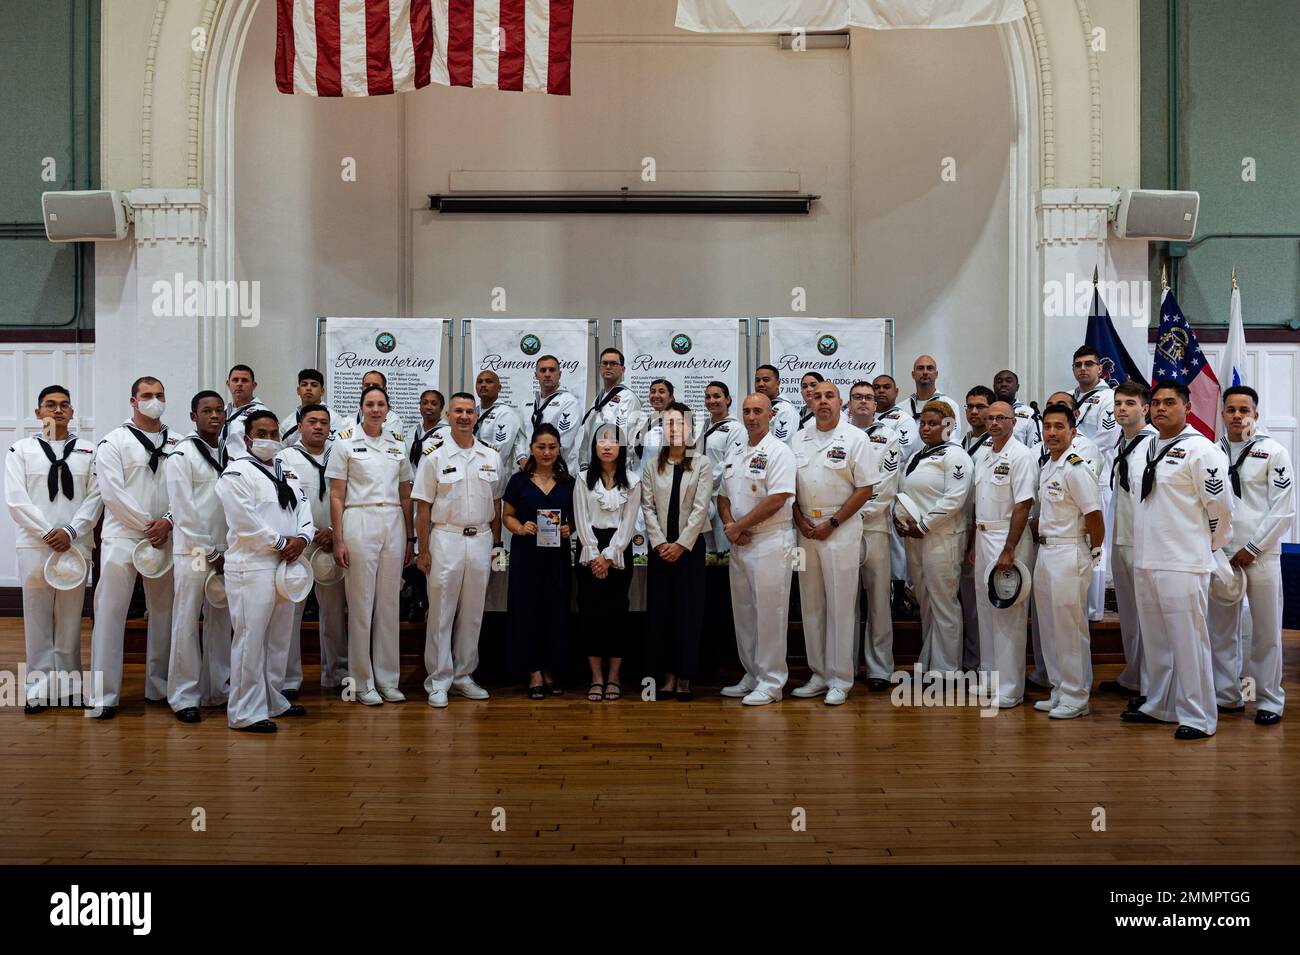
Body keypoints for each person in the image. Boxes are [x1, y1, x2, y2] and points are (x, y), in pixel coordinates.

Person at [1122, 381, 1233, 740]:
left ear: (1187, 407)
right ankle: (1161, 703)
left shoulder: (1202, 450)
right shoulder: (1147, 447)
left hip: (1183, 560)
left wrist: (1207, 546)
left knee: (1188, 641)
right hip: (1148, 557)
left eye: (1170, 402)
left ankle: (1199, 715)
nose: (1160, 408)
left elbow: (1220, 508)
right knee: (1157, 640)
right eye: (1155, 402)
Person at [5, 385, 102, 712]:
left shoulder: (89, 451)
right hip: (35, 544)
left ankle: (70, 689)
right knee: (37, 618)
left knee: (71, 618)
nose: (57, 411)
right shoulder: (21, 450)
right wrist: (48, 531)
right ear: (38, 413)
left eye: (64, 405)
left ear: (72, 413)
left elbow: (96, 496)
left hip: (75, 544)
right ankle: (38, 690)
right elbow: (16, 500)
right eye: (50, 405)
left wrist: (71, 530)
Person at [216, 411, 313, 733]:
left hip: (287, 562)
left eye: (273, 433)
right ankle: (245, 711)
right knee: (250, 638)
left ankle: (273, 699)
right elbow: (244, 520)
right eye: (262, 432)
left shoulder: (288, 472)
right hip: (252, 564)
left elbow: (304, 507)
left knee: (279, 639)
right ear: (247, 438)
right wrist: (280, 541)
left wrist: (302, 538)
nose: (268, 438)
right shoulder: (236, 473)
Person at [89, 376, 180, 720]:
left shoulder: (180, 442)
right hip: (124, 536)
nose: (153, 400)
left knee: (164, 612)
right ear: (133, 401)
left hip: (166, 536)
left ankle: (159, 687)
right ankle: (104, 695)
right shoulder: (113, 442)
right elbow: (111, 493)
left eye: (159, 395)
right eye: (146, 395)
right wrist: (147, 524)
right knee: (111, 614)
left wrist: (168, 521)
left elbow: (185, 490)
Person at [412, 393, 503, 708]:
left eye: (469, 411)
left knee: (473, 613)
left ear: (476, 415)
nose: (464, 416)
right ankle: (438, 680)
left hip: (480, 538)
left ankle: (464, 677)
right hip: (445, 539)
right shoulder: (434, 456)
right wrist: (422, 550)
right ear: (448, 415)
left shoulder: (490, 456)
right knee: (441, 613)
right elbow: (422, 508)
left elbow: (496, 503)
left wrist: (497, 545)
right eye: (458, 411)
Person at [1208, 385, 1292, 726]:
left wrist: (1252, 548)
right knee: (1222, 630)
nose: (1237, 416)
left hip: (1260, 555)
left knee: (1265, 631)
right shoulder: (1212, 451)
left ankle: (1267, 699)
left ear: (1255, 415)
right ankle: (1229, 695)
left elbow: (1284, 510)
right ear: (1223, 414)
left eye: (1244, 410)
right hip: (1223, 554)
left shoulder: (1273, 452)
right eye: (1231, 409)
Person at [327, 384, 415, 706]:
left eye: (381, 405)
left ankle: (388, 680)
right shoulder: (345, 443)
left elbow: (406, 495)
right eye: (370, 404)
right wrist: (338, 538)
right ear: (361, 407)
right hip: (358, 520)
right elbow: (336, 495)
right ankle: (362, 683)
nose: (376, 410)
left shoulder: (398, 446)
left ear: (388, 409)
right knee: (362, 604)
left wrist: (410, 538)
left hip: (393, 521)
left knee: (389, 605)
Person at [791, 381, 875, 705]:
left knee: (841, 604)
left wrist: (833, 522)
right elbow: (789, 487)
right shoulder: (798, 438)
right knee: (810, 602)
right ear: (809, 401)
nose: (823, 401)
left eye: (830, 396)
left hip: (840, 528)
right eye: (817, 396)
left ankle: (840, 678)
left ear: (842, 403)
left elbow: (865, 488)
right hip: (804, 529)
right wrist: (800, 521)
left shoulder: (856, 438)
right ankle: (818, 673)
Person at [718, 394, 796, 705]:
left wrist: (738, 526)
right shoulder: (737, 451)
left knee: (770, 614)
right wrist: (729, 525)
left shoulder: (779, 452)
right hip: (740, 544)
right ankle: (752, 673)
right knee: (746, 614)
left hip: (770, 543)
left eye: (758, 411)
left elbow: (778, 498)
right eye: (747, 411)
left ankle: (772, 681)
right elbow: (723, 495)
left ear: (771, 415)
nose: (751, 417)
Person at [1031, 402, 1104, 719]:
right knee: (1049, 627)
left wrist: (1093, 552)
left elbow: (1095, 517)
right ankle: (1059, 688)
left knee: (1070, 629)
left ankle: (1076, 696)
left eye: (1059, 426)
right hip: (1046, 552)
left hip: (1069, 551)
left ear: (1073, 432)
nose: (1051, 432)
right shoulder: (1048, 465)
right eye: (1047, 426)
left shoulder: (1076, 467)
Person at [164, 391, 231, 722]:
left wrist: (227, 548)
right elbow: (183, 510)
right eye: (207, 410)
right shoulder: (181, 454)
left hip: (226, 551)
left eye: (219, 410)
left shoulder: (231, 452)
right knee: (187, 619)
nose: (215, 415)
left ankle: (216, 689)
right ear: (193, 416)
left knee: (220, 619)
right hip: (194, 551)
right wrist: (210, 549)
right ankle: (184, 695)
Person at [642, 401, 712, 701]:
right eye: (669, 424)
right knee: (662, 614)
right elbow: (647, 507)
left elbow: (700, 509)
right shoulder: (651, 465)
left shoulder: (702, 464)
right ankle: (667, 676)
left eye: (680, 424)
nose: (674, 429)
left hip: (690, 549)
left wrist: (681, 545)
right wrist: (660, 543)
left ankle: (685, 676)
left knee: (689, 613)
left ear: (690, 429)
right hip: (660, 550)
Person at [895, 401, 972, 675]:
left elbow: (954, 499)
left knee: (943, 603)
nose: (925, 428)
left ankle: (948, 670)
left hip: (942, 537)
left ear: (949, 426)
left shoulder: (955, 456)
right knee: (925, 602)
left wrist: (924, 526)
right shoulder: (920, 454)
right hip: (915, 537)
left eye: (933, 424)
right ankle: (930, 663)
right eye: (923, 423)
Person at [968, 400, 1036, 707]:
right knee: (985, 609)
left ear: (1013, 421)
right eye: (990, 418)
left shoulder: (1021, 456)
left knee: (1008, 614)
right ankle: (989, 677)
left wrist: (1009, 549)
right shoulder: (984, 453)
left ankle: (1010, 687)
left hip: (1006, 538)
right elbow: (977, 502)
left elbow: (1023, 505)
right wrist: (972, 544)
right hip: (983, 537)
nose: (994, 422)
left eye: (1001, 418)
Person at [279, 404, 349, 691]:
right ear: (299, 425)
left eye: (323, 422)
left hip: (331, 541)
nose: (318, 427)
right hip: (300, 545)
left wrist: (334, 530)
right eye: (312, 422)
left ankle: (336, 673)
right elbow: (283, 503)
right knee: (291, 613)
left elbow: (348, 496)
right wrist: (304, 535)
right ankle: (288, 680)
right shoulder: (285, 458)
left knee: (333, 613)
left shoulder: (341, 455)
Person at [503, 424, 575, 699]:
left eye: (552, 447)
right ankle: (533, 671)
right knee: (527, 611)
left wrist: (571, 528)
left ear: (559, 449)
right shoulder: (518, 481)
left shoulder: (569, 482)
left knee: (555, 611)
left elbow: (577, 517)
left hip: (557, 556)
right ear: (532, 449)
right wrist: (519, 528)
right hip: (526, 555)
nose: (547, 452)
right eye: (541, 447)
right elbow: (507, 515)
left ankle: (551, 669)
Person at [574, 425, 641, 702]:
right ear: (594, 446)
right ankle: (596, 677)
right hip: (588, 548)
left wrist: (610, 555)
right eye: (601, 440)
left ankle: (613, 677)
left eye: (613, 440)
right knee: (590, 613)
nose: (607, 445)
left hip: (619, 551)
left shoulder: (633, 481)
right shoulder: (582, 478)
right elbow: (579, 517)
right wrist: (594, 554)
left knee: (617, 614)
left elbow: (629, 522)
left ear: (621, 447)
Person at [1097, 380, 1155, 700]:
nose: (1121, 408)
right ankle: (1133, 674)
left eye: (1129, 403)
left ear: (1144, 408)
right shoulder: (1123, 443)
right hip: (1121, 537)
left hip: (1142, 540)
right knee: (1129, 613)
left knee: (1147, 614)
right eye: (1118, 403)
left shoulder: (1151, 444)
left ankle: (1151, 683)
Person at [848, 381, 900, 691]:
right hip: (841, 529)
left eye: (869, 397)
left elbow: (886, 483)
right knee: (845, 601)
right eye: (858, 397)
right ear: (849, 403)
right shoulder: (840, 434)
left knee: (879, 599)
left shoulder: (888, 436)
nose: (864, 402)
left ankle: (880, 668)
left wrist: (857, 512)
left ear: (875, 403)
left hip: (875, 526)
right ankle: (846, 663)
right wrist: (842, 516)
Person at [1071, 346, 1117, 621]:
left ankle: (1093, 610)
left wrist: (1069, 455)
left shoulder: (1108, 398)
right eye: (1078, 364)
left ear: (1100, 368)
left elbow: (1106, 439)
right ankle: (1077, 602)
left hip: (1096, 477)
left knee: (1096, 543)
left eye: (1089, 364)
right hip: (1069, 477)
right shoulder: (1071, 396)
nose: (1083, 368)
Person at [872, 372, 920, 618]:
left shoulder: (903, 419)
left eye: (886, 387)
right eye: (876, 388)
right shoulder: (859, 419)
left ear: (896, 391)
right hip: (865, 492)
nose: (881, 391)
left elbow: (899, 454)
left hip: (894, 488)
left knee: (896, 545)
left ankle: (900, 595)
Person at [959, 385, 995, 671]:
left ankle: (987, 663)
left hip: (985, 531)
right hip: (962, 527)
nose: (974, 412)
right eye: (969, 406)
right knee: (969, 602)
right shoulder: (962, 441)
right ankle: (972, 660)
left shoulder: (996, 444)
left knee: (985, 602)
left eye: (980, 406)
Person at [698, 381, 744, 553]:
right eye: (708, 397)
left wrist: (705, 483)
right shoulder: (703, 426)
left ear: (728, 399)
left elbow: (729, 463)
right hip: (702, 495)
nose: (711, 400)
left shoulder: (736, 428)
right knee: (707, 550)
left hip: (722, 496)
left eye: (717, 396)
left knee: (723, 549)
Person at [517, 354, 582, 469]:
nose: (547, 374)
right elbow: (521, 435)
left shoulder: (569, 402)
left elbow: (564, 443)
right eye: (543, 370)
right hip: (527, 470)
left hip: (557, 470)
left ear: (559, 374)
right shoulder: (528, 402)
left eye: (552, 370)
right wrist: (522, 458)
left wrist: (535, 465)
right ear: (536, 375)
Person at [581, 348, 642, 469]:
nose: (608, 367)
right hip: (593, 469)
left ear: (622, 369)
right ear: (599, 368)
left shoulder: (627, 398)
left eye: (613, 363)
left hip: (614, 471)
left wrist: (616, 471)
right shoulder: (598, 400)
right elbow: (587, 434)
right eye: (604, 363)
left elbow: (625, 438)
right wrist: (584, 463)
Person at [473, 369, 523, 476]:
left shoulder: (505, 413)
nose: (483, 385)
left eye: (488, 381)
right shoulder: (473, 412)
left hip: (493, 475)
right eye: (480, 381)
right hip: (472, 473)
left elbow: (500, 454)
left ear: (499, 388)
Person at [219, 364, 270, 462]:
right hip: (219, 467)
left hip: (245, 469)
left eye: (244, 380)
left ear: (254, 385)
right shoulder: (221, 411)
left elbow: (267, 448)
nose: (239, 384)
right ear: (228, 383)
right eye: (235, 380)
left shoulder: (262, 414)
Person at [906, 355, 963, 440]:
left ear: (936, 374)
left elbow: (950, 439)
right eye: (920, 368)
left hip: (938, 453)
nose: (925, 372)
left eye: (929, 368)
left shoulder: (949, 405)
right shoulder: (902, 408)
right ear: (913, 374)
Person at [280, 369, 343, 446]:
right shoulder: (287, 423)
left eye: (314, 385)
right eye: (304, 384)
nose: (308, 388)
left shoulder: (334, 419)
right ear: (298, 390)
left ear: (322, 391)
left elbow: (337, 448)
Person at [633, 378, 673, 473]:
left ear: (671, 397)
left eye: (661, 392)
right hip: (643, 477)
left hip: (663, 479)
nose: (656, 395)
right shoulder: (649, 420)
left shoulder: (674, 422)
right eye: (653, 391)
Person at [993, 369, 1040, 448]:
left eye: (1008, 381)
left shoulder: (1030, 413)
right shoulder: (986, 412)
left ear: (1017, 387)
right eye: (999, 381)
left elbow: (1035, 447)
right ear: (994, 387)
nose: (1003, 384)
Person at [754, 364, 797, 447]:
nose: (761, 384)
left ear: (778, 383)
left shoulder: (785, 409)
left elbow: (779, 444)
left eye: (766, 380)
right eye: (757, 380)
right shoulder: (758, 408)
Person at [407, 389, 448, 467]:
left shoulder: (448, 433)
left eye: (434, 404)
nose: (429, 407)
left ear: (441, 408)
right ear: (420, 406)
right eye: (424, 403)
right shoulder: (412, 431)